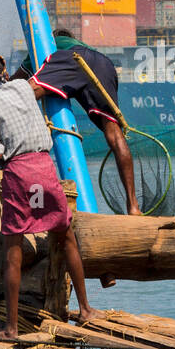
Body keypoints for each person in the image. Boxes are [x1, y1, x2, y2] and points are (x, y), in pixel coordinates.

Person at [0, 54, 98, 340]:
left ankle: (12, 329)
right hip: (43, 167)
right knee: (65, 235)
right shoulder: (23, 87)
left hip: (19, 174)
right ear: (5, 74)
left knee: (13, 250)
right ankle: (87, 309)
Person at [13, 29, 141, 215]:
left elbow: (19, 78)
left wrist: (5, 86)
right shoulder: (84, 46)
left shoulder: (46, 43)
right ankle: (133, 205)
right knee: (114, 133)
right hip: (105, 65)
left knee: (26, 92)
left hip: (72, 59)